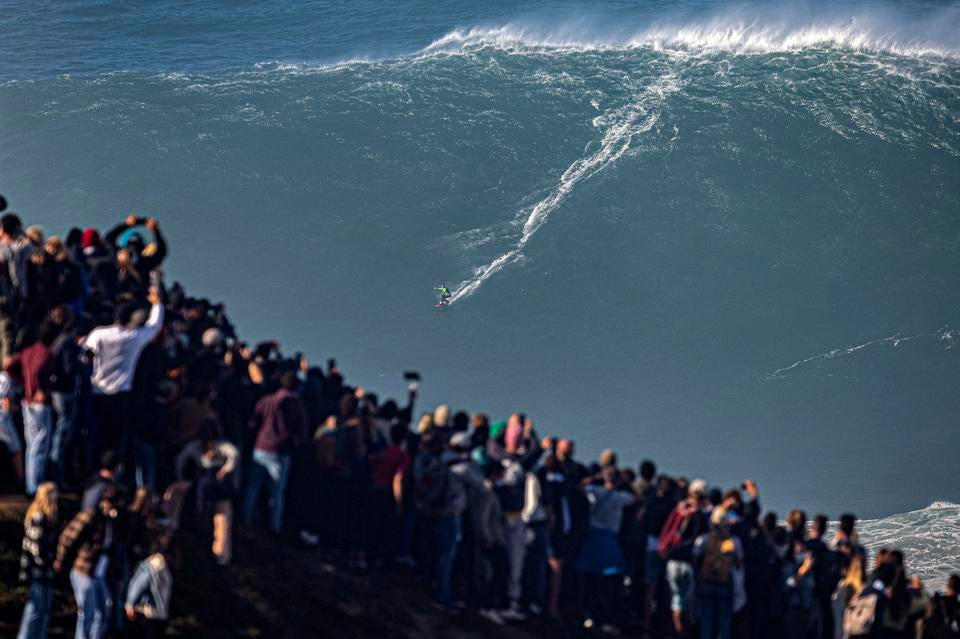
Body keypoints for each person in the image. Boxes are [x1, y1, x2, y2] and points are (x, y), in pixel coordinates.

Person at [83, 285, 164, 460]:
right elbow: (154, 327)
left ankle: (98, 466)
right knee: (117, 438)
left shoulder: (98, 334)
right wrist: (157, 304)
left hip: (97, 391)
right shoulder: (133, 337)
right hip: (121, 394)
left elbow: (84, 354)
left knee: (97, 435)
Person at [241, 370, 308, 534]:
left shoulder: (268, 400)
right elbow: (301, 429)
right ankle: (274, 527)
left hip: (261, 446)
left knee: (253, 487)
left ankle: (245, 519)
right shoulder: (295, 403)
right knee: (277, 493)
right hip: (280, 450)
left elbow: (253, 420)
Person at [575, 465, 636, 633]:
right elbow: (635, 497)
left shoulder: (594, 491)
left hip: (592, 539)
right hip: (609, 540)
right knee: (608, 583)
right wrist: (625, 482)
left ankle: (588, 615)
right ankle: (605, 618)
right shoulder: (620, 497)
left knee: (590, 580)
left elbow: (580, 486)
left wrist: (595, 477)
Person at [55, 487, 120, 639]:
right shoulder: (91, 515)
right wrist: (60, 559)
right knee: (88, 613)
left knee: (103, 613)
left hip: (99, 573)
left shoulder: (110, 522)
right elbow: (67, 537)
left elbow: (111, 549)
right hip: (84, 571)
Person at [5, 319, 58, 495]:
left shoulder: (27, 352)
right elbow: (37, 371)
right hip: (39, 405)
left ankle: (32, 483)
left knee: (32, 445)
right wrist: (39, 388)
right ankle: (34, 487)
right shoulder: (46, 353)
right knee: (40, 446)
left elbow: (9, 367)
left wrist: (24, 383)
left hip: (27, 404)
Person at [17, 482, 59, 639]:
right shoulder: (39, 518)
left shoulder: (46, 517)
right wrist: (53, 560)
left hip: (44, 573)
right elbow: (37, 550)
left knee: (44, 611)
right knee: (34, 611)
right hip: (38, 573)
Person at [125, 548, 173, 639]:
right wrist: (130, 603)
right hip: (150, 612)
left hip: (157, 613)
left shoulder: (160, 564)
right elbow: (138, 585)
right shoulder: (155, 564)